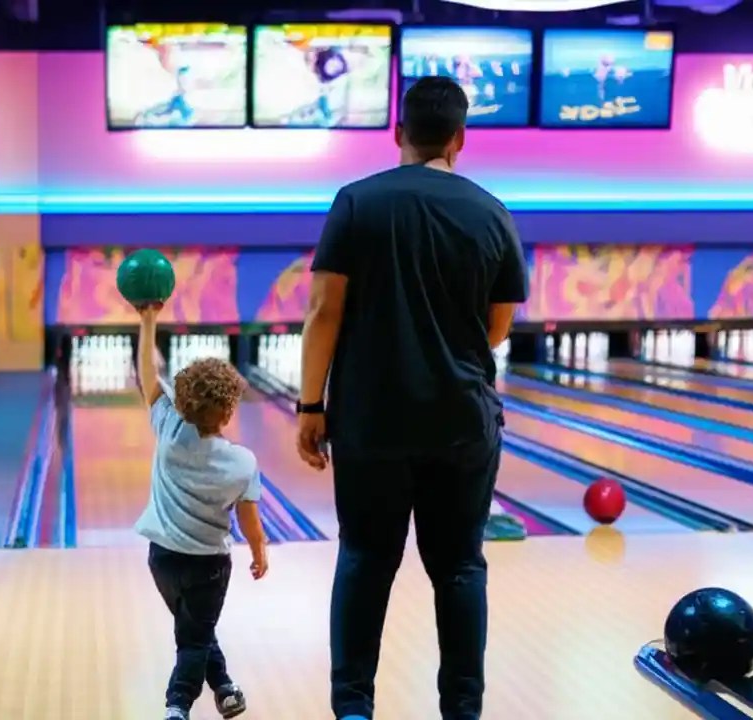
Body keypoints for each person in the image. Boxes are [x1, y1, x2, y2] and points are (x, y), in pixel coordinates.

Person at [295, 76, 529, 720]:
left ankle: (353, 710)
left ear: (398, 133)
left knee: (366, 560)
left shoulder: (355, 202)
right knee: (458, 568)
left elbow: (323, 311)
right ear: (460, 139)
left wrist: (310, 407)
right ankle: (461, 711)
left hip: (371, 420)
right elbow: (499, 326)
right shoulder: (491, 211)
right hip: (461, 422)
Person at [132, 303, 269, 720]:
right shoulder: (242, 462)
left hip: (162, 559)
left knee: (196, 628)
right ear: (228, 412)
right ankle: (178, 706)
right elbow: (250, 524)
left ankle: (225, 688)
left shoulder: (169, 430)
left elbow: (147, 376)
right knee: (192, 640)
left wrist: (148, 320)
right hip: (209, 566)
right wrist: (260, 551)